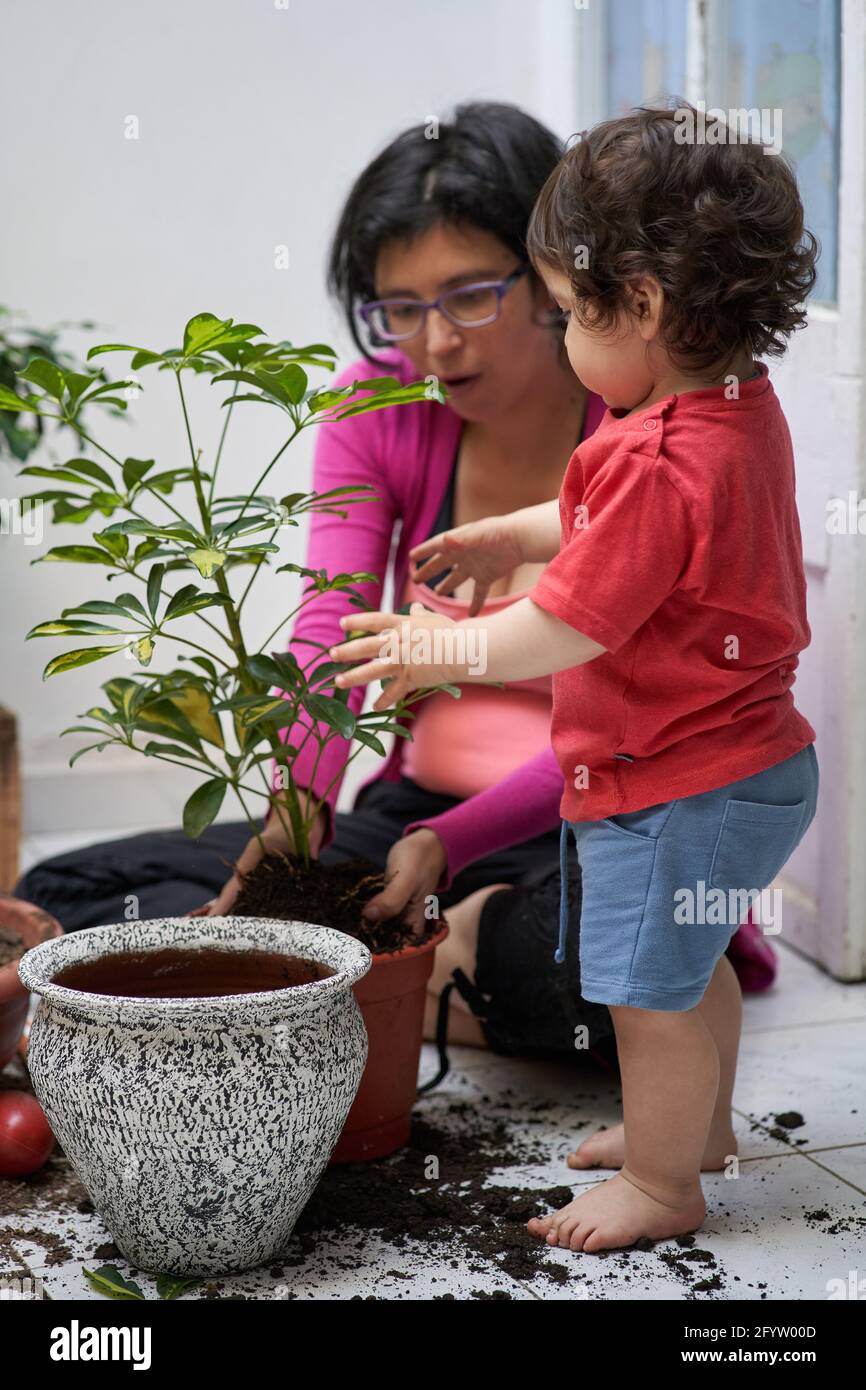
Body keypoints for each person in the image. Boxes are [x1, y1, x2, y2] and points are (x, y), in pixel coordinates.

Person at [16, 102, 618, 1066]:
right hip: (408, 819)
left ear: (552, 280)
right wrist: (301, 808)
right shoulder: (372, 408)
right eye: (401, 307)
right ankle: (418, 967)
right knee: (74, 896)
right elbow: (327, 628)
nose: (435, 344)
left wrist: (453, 848)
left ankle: (407, 958)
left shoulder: (635, 433)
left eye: (471, 295)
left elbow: (630, 721)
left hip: (594, 823)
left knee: (602, 966)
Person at [327, 103, 820, 1252]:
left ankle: (661, 1182)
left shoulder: (655, 453)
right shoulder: (729, 410)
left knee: (644, 987)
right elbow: (616, 511)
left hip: (678, 779)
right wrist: (515, 531)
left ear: (636, 307)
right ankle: (693, 1134)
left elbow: (564, 629)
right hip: (749, 766)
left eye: (561, 313)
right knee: (687, 959)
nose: (557, 337)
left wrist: (435, 641)